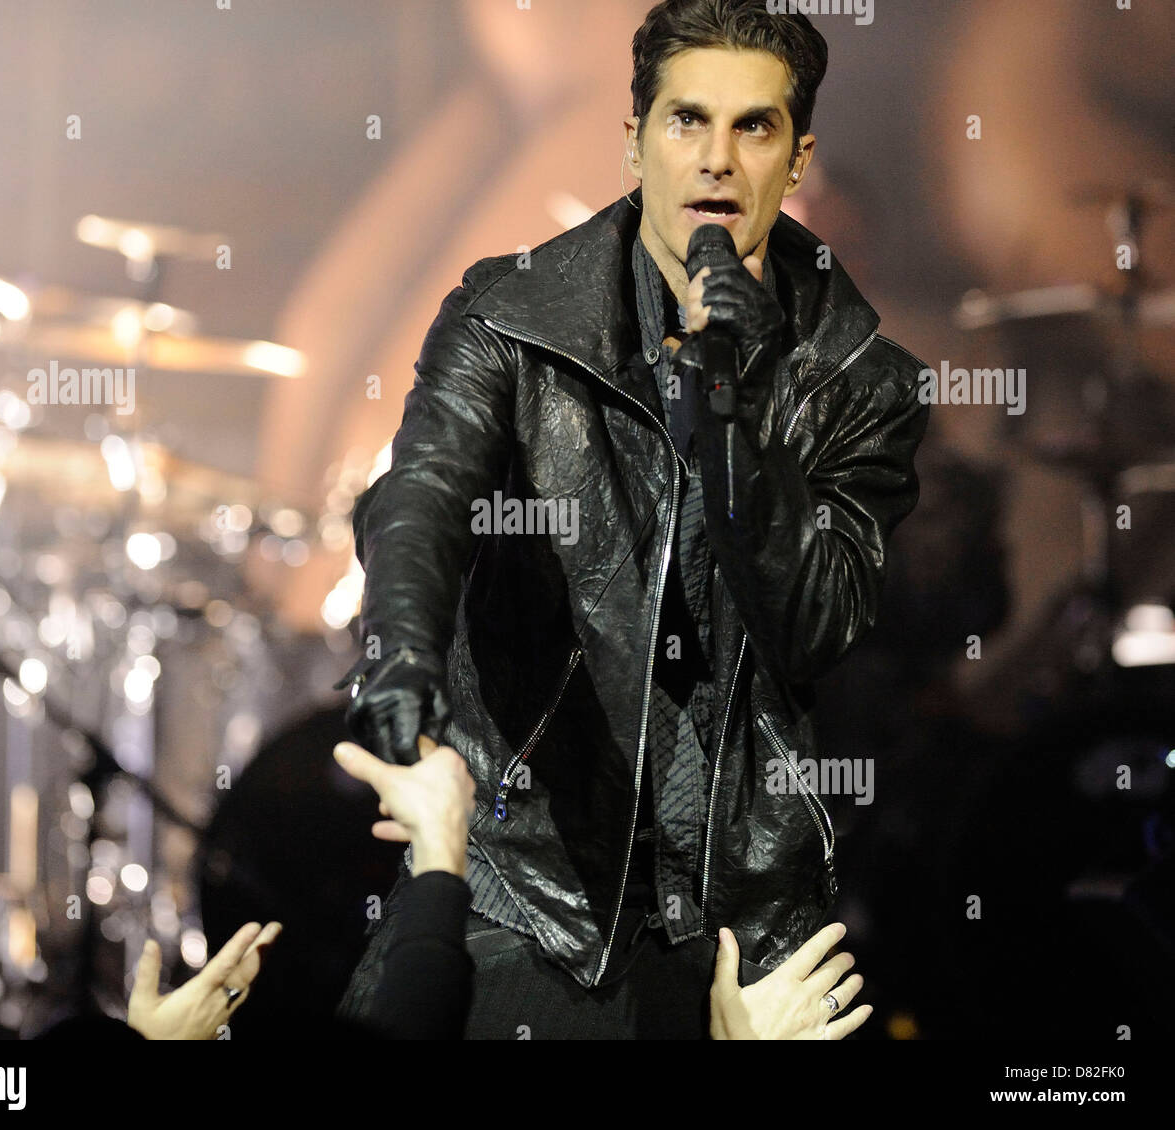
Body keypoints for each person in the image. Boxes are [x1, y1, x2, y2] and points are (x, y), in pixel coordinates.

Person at [336, 0, 928, 1038]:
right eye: (685, 122)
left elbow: (812, 622)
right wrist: (399, 661)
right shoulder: (510, 316)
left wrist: (731, 407)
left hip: (744, 909)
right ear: (632, 140)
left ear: (797, 162)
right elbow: (421, 493)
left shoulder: (856, 378)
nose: (715, 160)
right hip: (535, 886)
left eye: (754, 128)